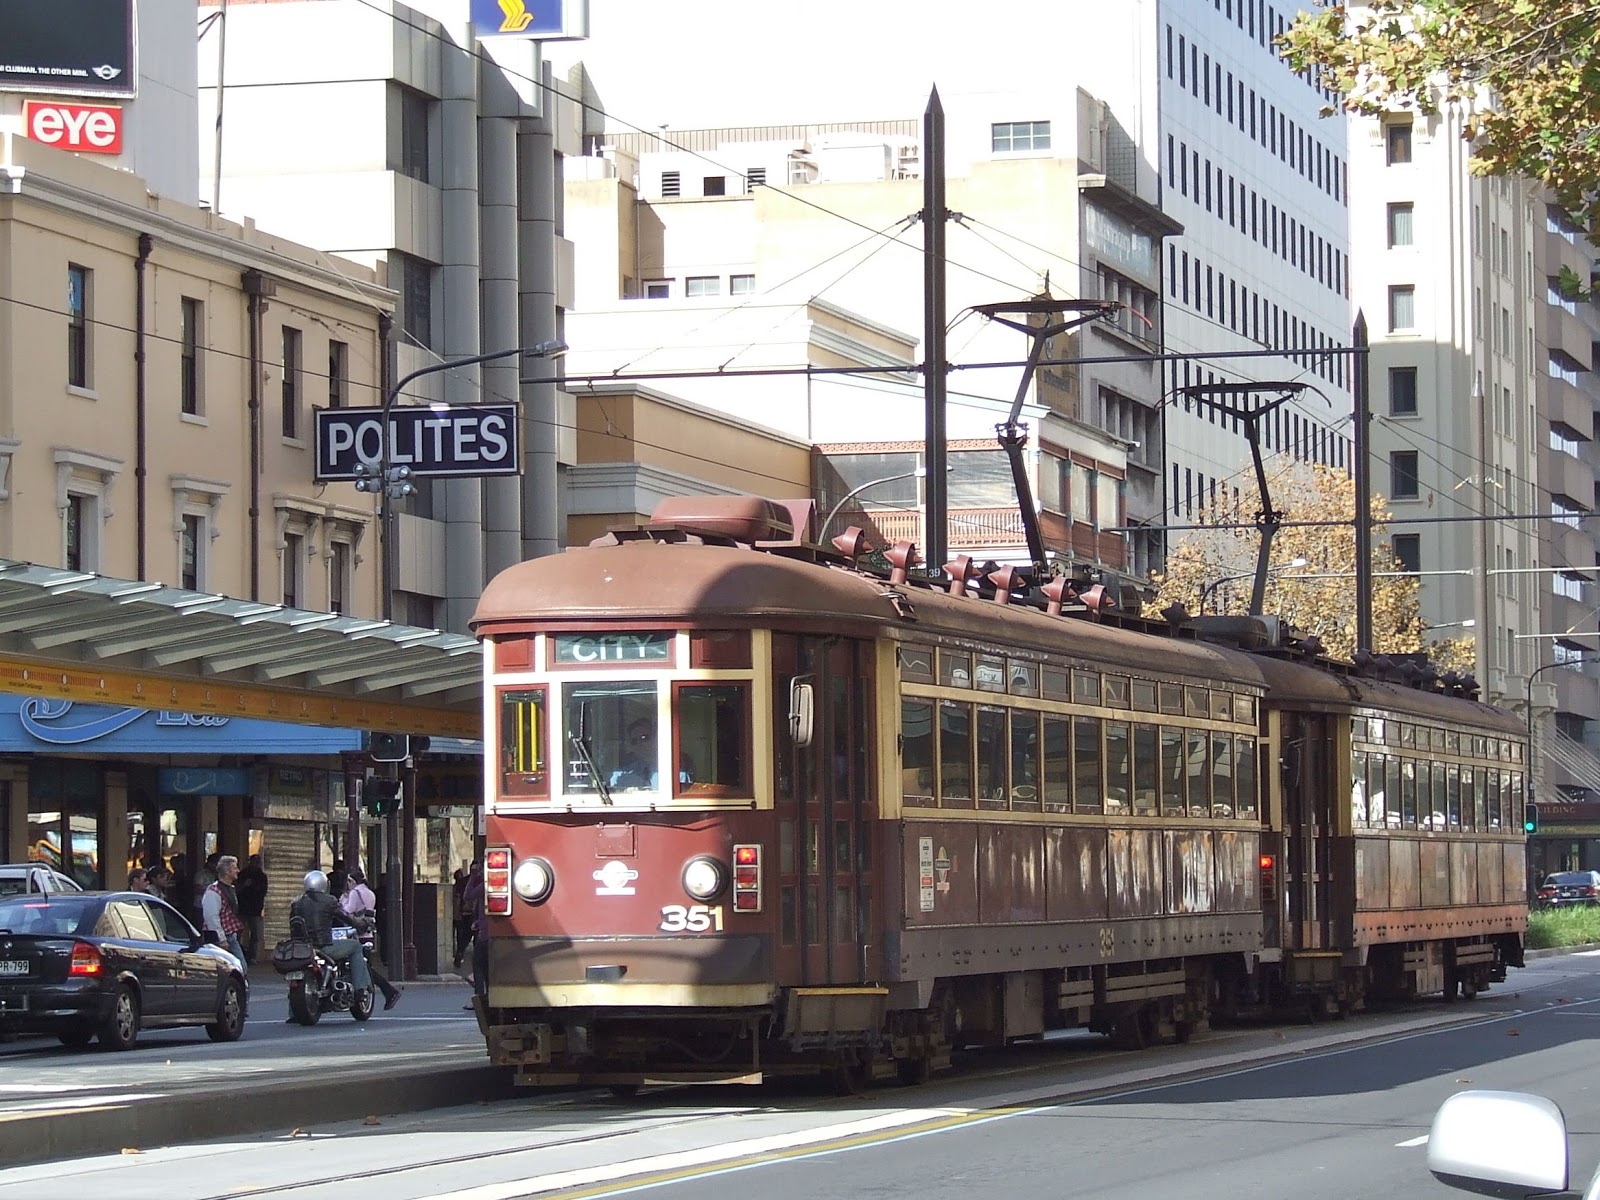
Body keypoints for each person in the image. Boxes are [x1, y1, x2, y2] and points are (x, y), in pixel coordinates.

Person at [288, 869, 375, 1007]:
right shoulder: (329, 901)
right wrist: (363, 924)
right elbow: (347, 917)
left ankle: (293, 1010)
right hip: (323, 946)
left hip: (302, 948)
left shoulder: (297, 902)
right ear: (324, 885)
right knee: (355, 946)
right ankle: (360, 990)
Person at [339, 866, 399, 1010]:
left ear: (353, 881)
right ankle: (388, 992)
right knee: (366, 966)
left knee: (363, 967)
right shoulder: (370, 893)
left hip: (356, 933)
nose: (348, 885)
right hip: (368, 933)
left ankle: (389, 991)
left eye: (349, 881)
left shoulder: (355, 893)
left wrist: (343, 901)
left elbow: (348, 910)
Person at [202, 854, 248, 965]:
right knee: (237, 966)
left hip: (230, 935)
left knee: (239, 966)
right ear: (227, 872)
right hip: (218, 937)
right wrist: (221, 939)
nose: (238, 871)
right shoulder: (213, 891)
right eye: (235, 868)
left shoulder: (230, 889)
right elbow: (212, 917)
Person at [461, 859, 487, 1010]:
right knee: (486, 966)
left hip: (485, 933)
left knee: (478, 964)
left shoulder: (485, 885)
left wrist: (472, 877)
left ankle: (479, 998)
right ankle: (487, 996)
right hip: (487, 928)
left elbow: (468, 895)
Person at [235, 855, 269, 965]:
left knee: (255, 934)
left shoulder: (262, 876)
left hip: (255, 909)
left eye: (258, 862)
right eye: (254, 861)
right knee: (237, 932)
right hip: (242, 908)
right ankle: (237, 954)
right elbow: (236, 889)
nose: (256, 864)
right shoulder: (243, 874)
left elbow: (263, 892)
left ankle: (252, 956)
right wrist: (245, 885)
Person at [610, 718, 658, 789]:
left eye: (643, 738)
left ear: (655, 739)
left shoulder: (671, 770)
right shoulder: (625, 774)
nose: (639, 744)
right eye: (634, 741)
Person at [452, 865, 474, 971]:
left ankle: (459, 953)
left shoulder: (462, 882)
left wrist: (457, 914)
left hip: (465, 914)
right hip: (473, 914)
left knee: (464, 937)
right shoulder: (480, 881)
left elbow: (457, 899)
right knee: (473, 937)